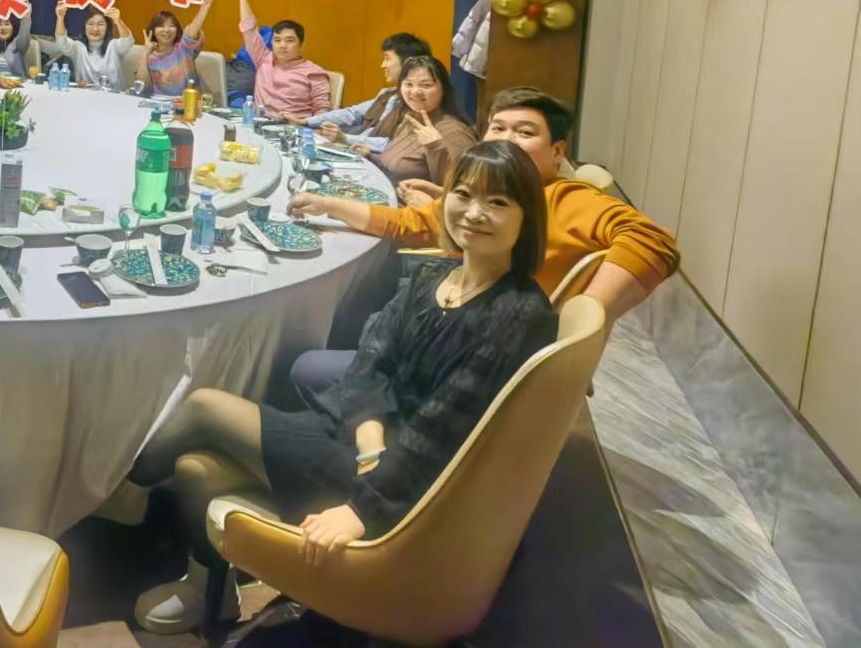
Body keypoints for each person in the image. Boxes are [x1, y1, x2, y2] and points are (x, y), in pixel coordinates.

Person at [126, 141, 557, 634]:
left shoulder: (520, 313)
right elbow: (370, 361)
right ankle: (210, 591)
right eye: (464, 194)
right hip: (367, 449)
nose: (475, 212)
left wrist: (362, 507)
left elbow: (444, 433)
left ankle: (122, 492)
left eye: (497, 202)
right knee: (195, 468)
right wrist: (370, 441)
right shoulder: (436, 276)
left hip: (409, 487)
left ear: (527, 218)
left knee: (204, 406)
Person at [287, 85, 681, 413]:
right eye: (497, 128)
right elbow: (411, 222)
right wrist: (328, 205)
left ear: (557, 152)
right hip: (453, 320)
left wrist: (581, 318)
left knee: (308, 365)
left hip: (477, 356)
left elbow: (654, 241)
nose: (507, 139)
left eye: (524, 132)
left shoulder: (566, 198)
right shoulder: (489, 190)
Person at [357, 54, 476, 187]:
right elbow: (399, 167)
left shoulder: (456, 132)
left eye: (426, 85)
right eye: (408, 84)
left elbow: (458, 187)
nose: (415, 92)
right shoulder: (411, 117)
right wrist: (370, 156)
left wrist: (435, 147)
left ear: (444, 89)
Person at [304, 32, 432, 148]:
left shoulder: (418, 105)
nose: (383, 65)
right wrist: (306, 121)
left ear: (408, 63)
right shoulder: (387, 94)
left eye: (387, 58)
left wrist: (345, 138)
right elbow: (353, 113)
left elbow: (393, 145)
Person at [234, 0, 331, 119]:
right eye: (277, 40)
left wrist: (305, 125)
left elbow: (322, 111)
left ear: (301, 44)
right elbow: (249, 30)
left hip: (294, 128)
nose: (282, 45)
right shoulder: (263, 59)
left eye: (289, 40)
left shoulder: (313, 72)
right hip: (260, 124)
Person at [44, 1, 134, 88]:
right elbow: (61, 41)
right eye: (90, 24)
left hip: (114, 96)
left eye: (100, 24)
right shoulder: (78, 47)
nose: (95, 29)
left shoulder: (114, 46)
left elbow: (128, 40)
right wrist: (60, 18)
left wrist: (118, 20)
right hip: (85, 95)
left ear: (108, 28)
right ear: (84, 27)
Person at [143, 0, 212, 97]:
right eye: (161, 26)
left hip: (189, 103)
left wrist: (204, 7)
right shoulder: (148, 56)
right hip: (158, 103)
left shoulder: (184, 49)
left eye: (171, 25)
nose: (166, 30)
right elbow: (142, 87)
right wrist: (145, 53)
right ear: (153, 31)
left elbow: (191, 33)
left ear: (177, 30)